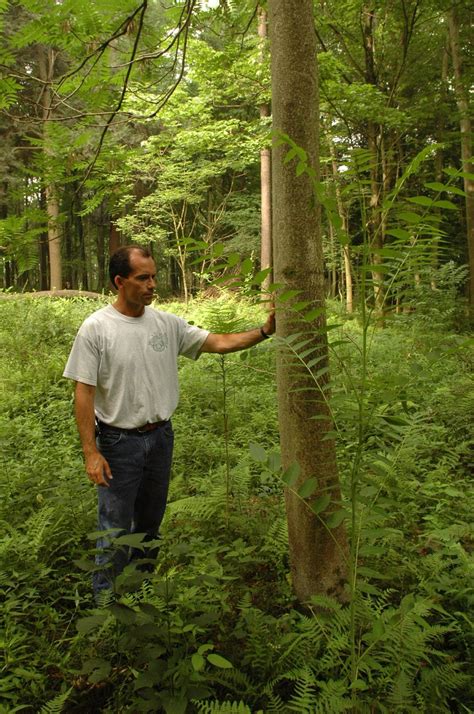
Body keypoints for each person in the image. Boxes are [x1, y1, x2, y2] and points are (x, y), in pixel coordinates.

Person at [63, 245, 275, 596]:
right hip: (118, 443)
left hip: (161, 438)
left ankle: (142, 593)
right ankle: (105, 608)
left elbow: (218, 342)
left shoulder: (165, 323)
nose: (152, 285)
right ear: (120, 281)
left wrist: (264, 331)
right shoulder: (96, 329)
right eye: (142, 278)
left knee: (149, 524)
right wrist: (90, 452)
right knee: (114, 530)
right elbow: (83, 393)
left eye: (154, 277)